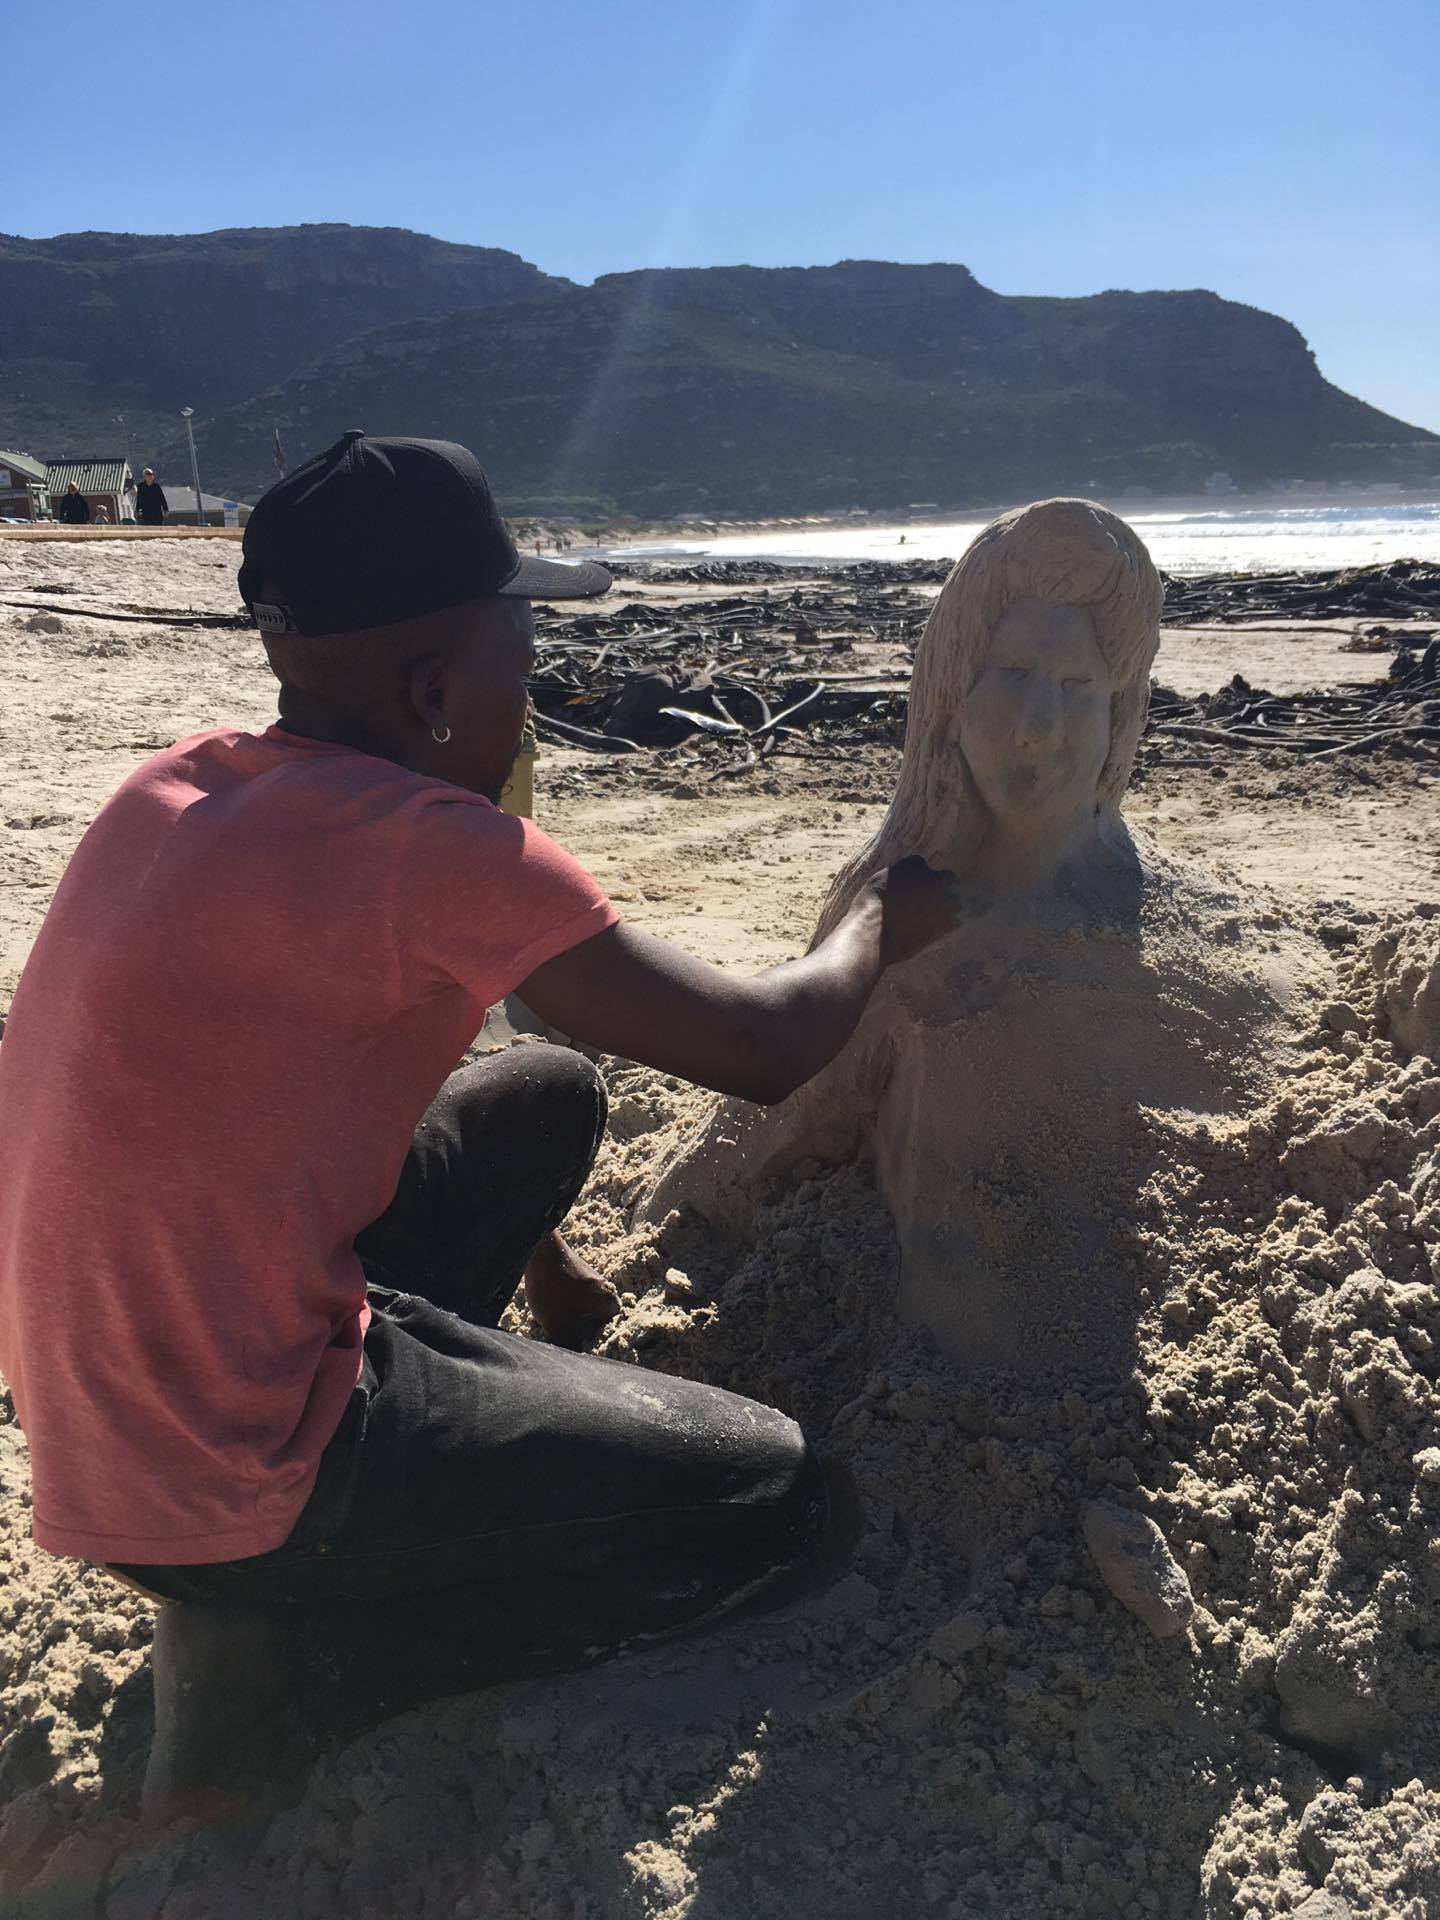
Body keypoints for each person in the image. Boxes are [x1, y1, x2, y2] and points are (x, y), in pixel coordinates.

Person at [0, 430, 956, 1806]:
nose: (541, 692)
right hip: (233, 1464)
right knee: (788, 1509)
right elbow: (765, 1046)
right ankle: (301, 1672)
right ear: (437, 690)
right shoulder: (434, 851)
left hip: (102, 1400)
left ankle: (319, 1518)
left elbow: (308, 1091)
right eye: (522, 660)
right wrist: (880, 917)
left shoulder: (183, 783)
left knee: (546, 1094)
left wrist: (540, 1267)